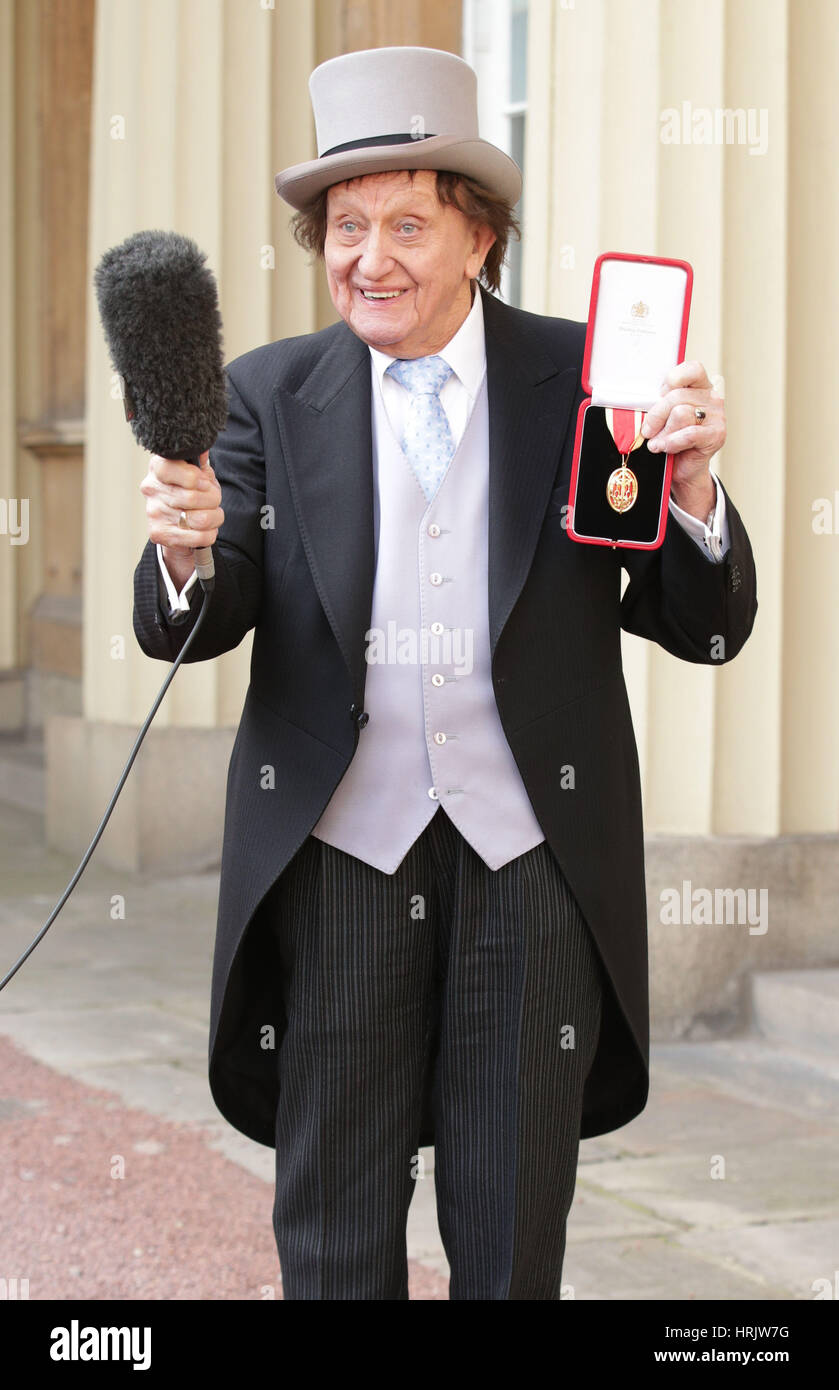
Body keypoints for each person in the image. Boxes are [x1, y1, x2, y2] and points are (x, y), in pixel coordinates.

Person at [133, 46, 757, 1300]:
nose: (369, 257)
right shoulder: (266, 393)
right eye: (345, 226)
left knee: (511, 1223)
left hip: (529, 863)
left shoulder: (589, 380)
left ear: (480, 238)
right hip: (344, 861)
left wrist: (689, 492)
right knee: (333, 1226)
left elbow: (699, 626)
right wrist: (189, 553)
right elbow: (203, 623)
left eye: (407, 223)